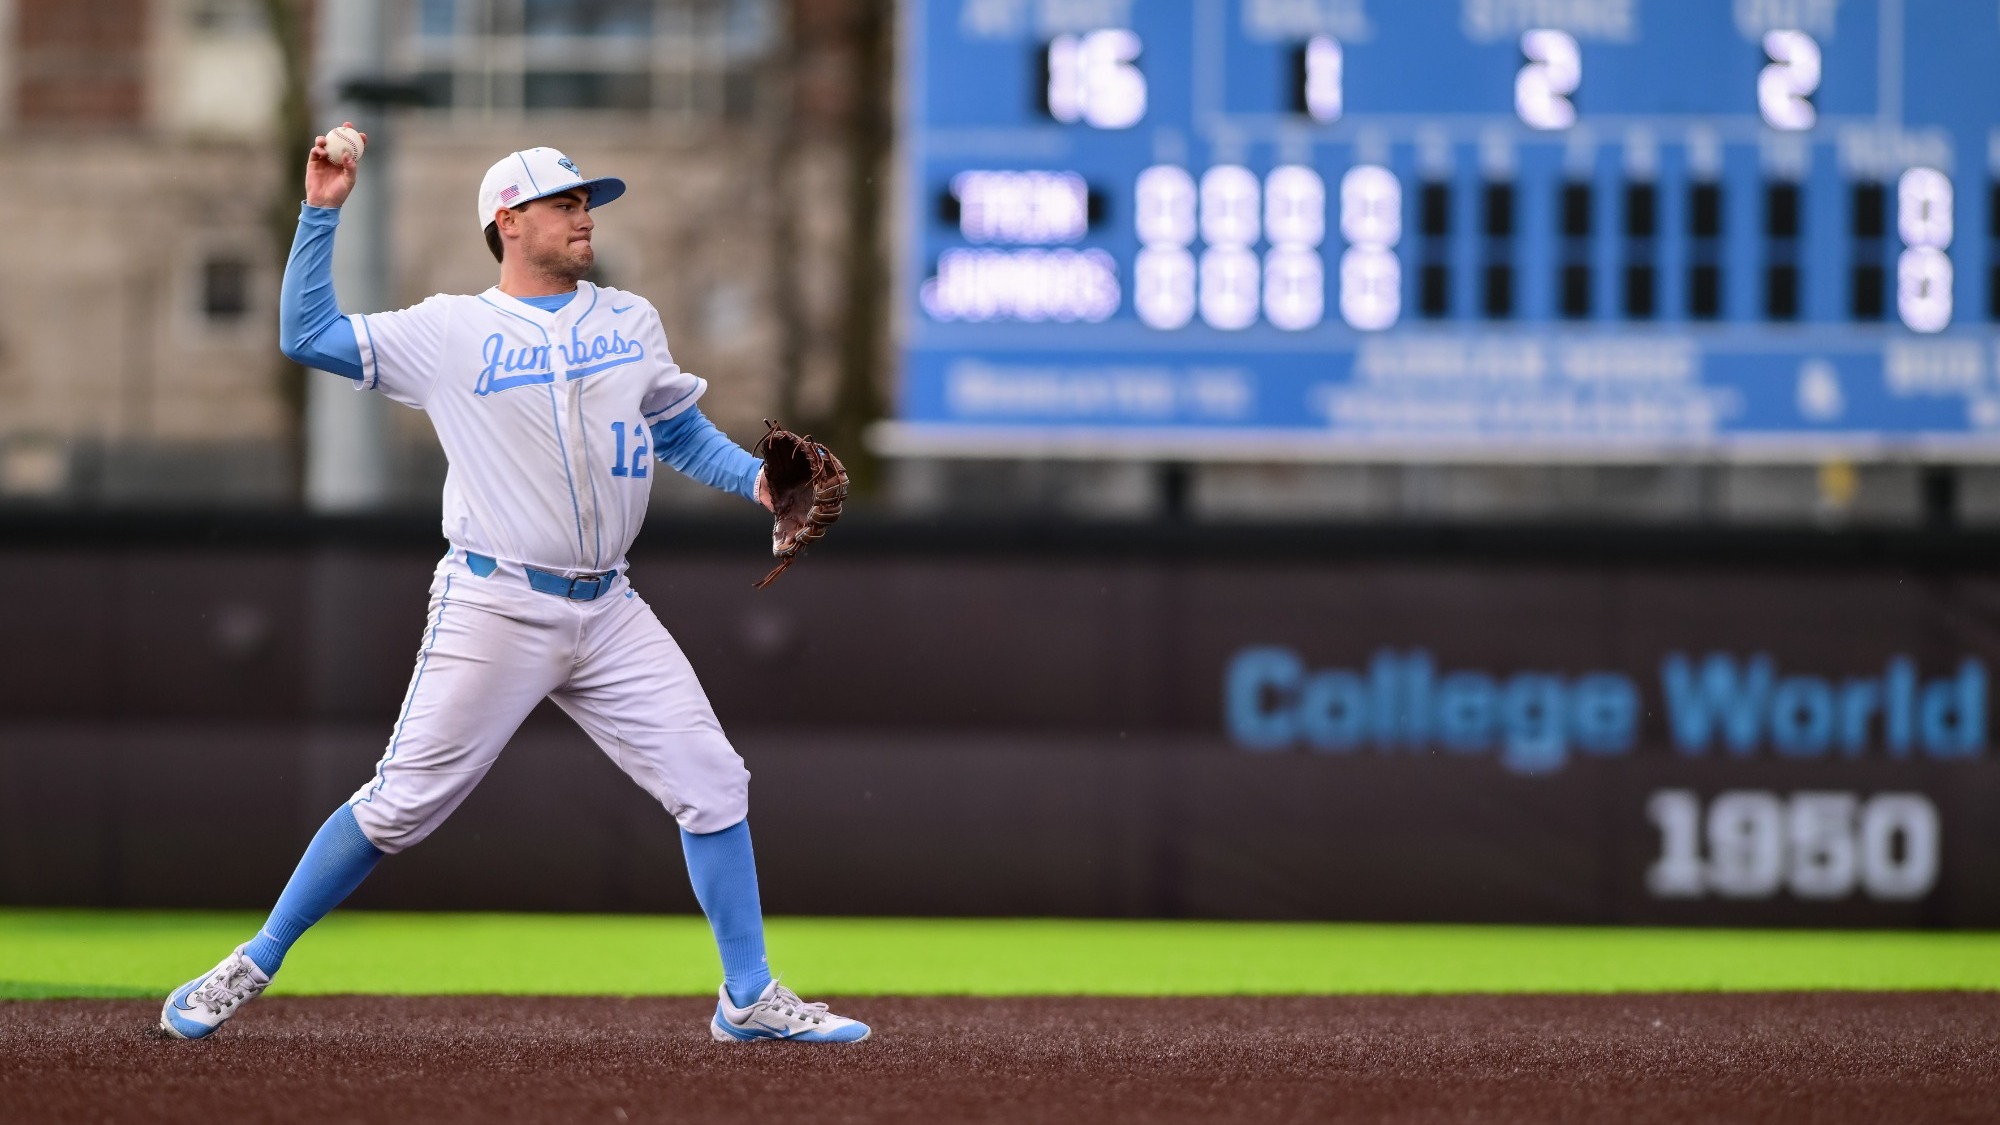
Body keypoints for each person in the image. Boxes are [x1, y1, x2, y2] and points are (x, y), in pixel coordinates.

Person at [159, 125, 868, 1044]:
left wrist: (760, 483)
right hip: (495, 602)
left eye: (587, 204)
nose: (585, 219)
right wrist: (321, 211)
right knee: (399, 804)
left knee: (713, 781)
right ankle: (252, 960)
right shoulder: (449, 330)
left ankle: (747, 995)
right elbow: (306, 333)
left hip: (609, 606)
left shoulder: (628, 319)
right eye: (566, 205)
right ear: (508, 220)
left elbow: (676, 430)